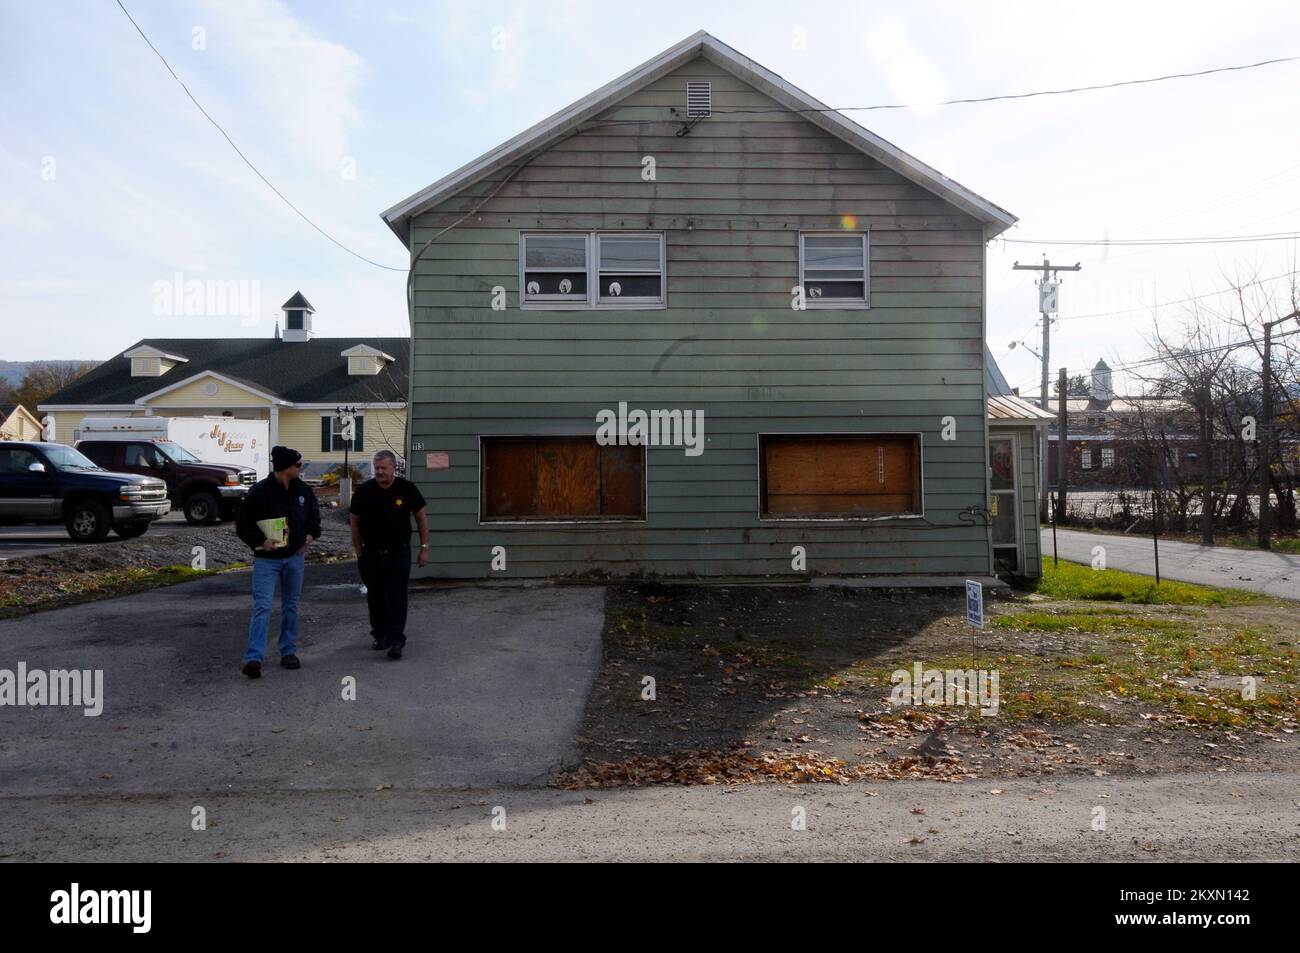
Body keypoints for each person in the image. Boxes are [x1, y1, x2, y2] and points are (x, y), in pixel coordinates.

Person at [234, 445, 321, 678]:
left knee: (291, 606)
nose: (300, 468)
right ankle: (254, 658)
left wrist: (309, 538)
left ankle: (288, 651)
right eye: (298, 464)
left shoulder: (304, 491)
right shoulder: (260, 491)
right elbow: (242, 524)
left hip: (294, 558)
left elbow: (315, 520)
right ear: (285, 467)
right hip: (266, 560)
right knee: (262, 606)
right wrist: (261, 541)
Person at [349, 450, 428, 660]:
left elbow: (421, 518)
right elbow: (354, 522)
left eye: (384, 468)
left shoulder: (407, 489)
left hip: (399, 552)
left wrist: (424, 547)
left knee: (397, 595)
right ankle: (380, 634)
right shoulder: (364, 492)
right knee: (375, 596)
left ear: (394, 467)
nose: (380, 472)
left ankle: (396, 640)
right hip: (372, 553)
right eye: (377, 468)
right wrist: (359, 552)